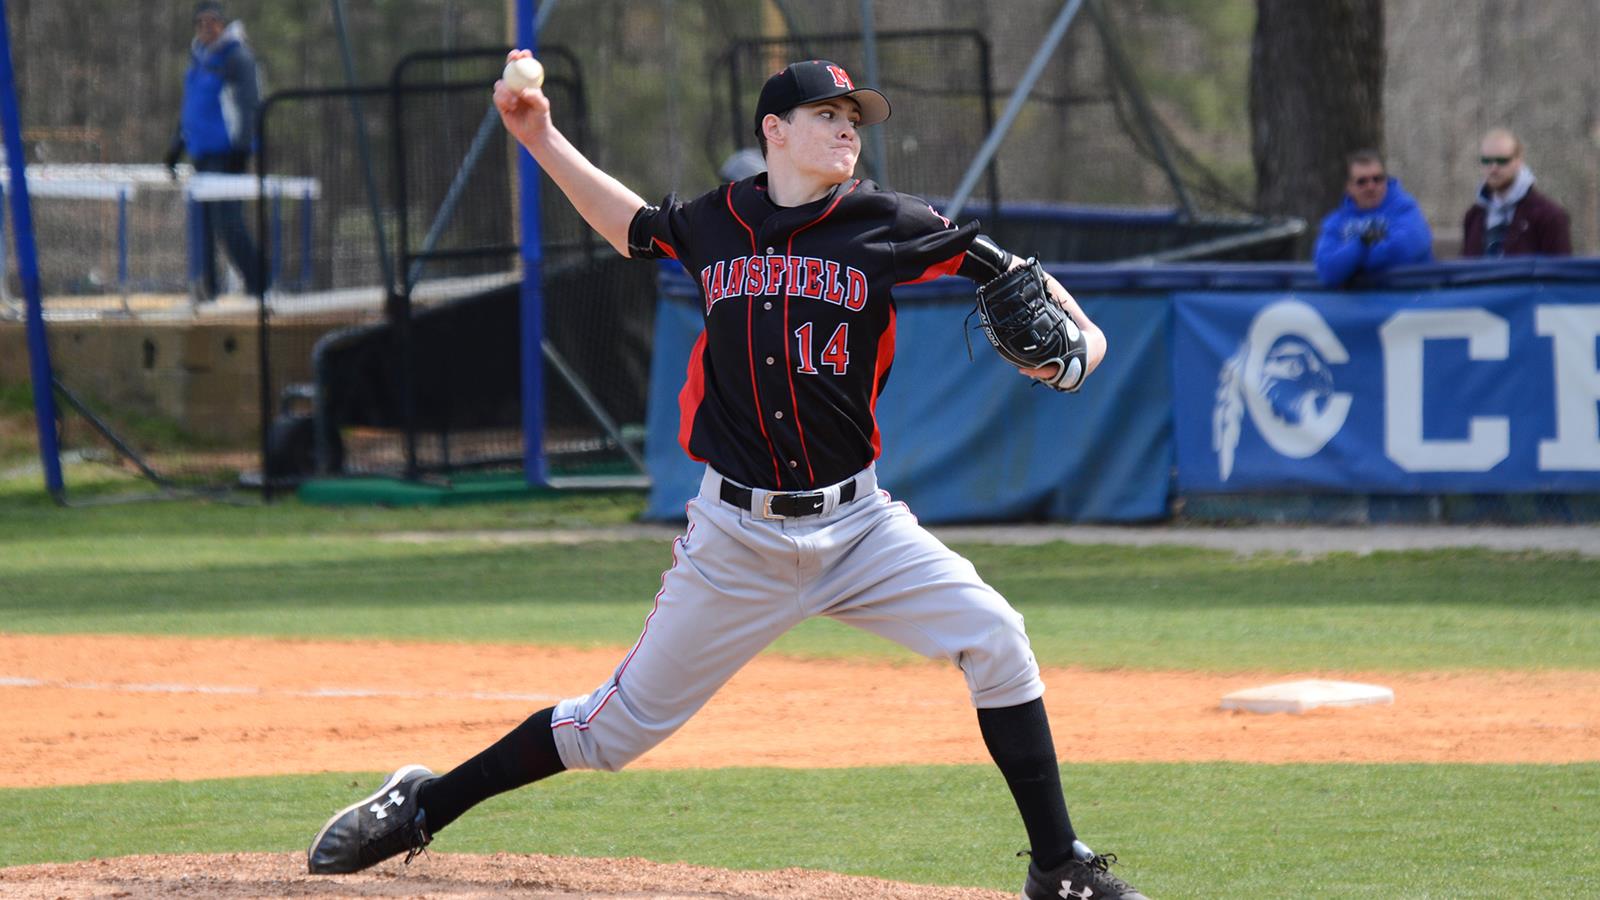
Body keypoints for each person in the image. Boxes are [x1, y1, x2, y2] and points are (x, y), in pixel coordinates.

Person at [305, 54, 1148, 900]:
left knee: (996, 635)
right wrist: (540, 135)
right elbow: (628, 224)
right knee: (612, 734)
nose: (849, 126)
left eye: (856, 115)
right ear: (774, 131)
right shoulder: (716, 223)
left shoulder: (887, 222)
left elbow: (1007, 272)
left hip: (860, 528)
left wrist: (1087, 341)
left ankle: (1058, 866)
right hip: (736, 539)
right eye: (827, 113)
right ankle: (423, 804)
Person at [163, 0, 266, 299]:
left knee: (229, 223)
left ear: (223, 24)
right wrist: (175, 147)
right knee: (202, 224)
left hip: (227, 155)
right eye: (202, 23)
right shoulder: (198, 59)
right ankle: (207, 288)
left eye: (213, 22)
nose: (207, 28)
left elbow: (249, 105)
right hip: (202, 155)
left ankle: (260, 283)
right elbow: (190, 110)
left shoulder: (237, 58)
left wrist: (242, 149)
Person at [1312, 149, 1432, 287]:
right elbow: (1327, 270)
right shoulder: (1335, 222)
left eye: (1377, 179)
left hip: (1410, 299)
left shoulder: (1405, 208)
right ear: (1349, 187)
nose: (1371, 186)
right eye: (1362, 181)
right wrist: (1362, 243)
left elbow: (1405, 249)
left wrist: (1350, 263)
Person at [1461, 128, 1571, 258]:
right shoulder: (1474, 216)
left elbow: (1560, 273)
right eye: (1487, 161)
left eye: (1502, 160)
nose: (1493, 168)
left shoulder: (1549, 216)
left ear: (1518, 161)